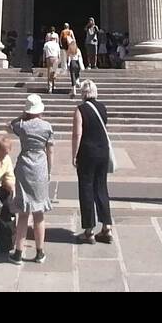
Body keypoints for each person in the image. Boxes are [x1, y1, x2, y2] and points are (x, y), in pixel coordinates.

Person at [8, 94, 53, 264]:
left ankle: (18, 252)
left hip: (24, 166)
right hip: (40, 167)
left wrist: (23, 115)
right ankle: (40, 252)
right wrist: (50, 170)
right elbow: (50, 150)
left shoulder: (22, 126)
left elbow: (9, 125)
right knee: (39, 213)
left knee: (23, 212)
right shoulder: (47, 127)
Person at [71, 79, 114, 245]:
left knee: (86, 189)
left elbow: (77, 134)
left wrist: (74, 155)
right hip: (103, 151)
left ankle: (88, 230)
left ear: (83, 93)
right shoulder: (103, 107)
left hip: (87, 153)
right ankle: (107, 226)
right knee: (101, 187)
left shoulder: (80, 109)